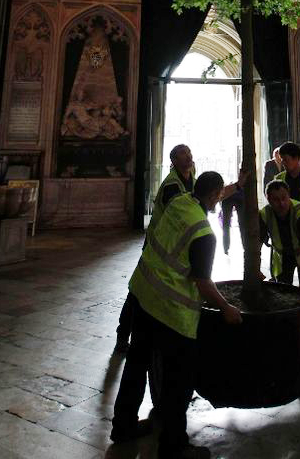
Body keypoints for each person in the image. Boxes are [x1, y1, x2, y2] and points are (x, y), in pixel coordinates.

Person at [111, 171, 242, 459]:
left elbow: (212, 193)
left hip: (143, 294)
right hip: (172, 313)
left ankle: (122, 426)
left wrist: (238, 184)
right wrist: (226, 308)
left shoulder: (179, 202)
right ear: (213, 196)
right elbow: (203, 283)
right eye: (219, 195)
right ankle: (173, 446)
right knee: (178, 382)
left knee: (136, 364)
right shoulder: (204, 235)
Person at [115, 143, 243, 353]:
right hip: (162, 241)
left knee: (144, 289)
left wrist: (238, 185)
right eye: (183, 155)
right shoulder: (172, 186)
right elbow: (192, 210)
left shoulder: (192, 176)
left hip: (176, 242)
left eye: (189, 153)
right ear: (173, 161)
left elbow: (210, 195)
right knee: (138, 293)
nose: (188, 157)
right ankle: (123, 333)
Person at [260, 180, 300, 292]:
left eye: (284, 198)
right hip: (283, 257)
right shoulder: (264, 214)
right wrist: (256, 269)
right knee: (282, 291)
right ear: (268, 199)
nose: (281, 203)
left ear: (289, 196)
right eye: (276, 200)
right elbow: (256, 246)